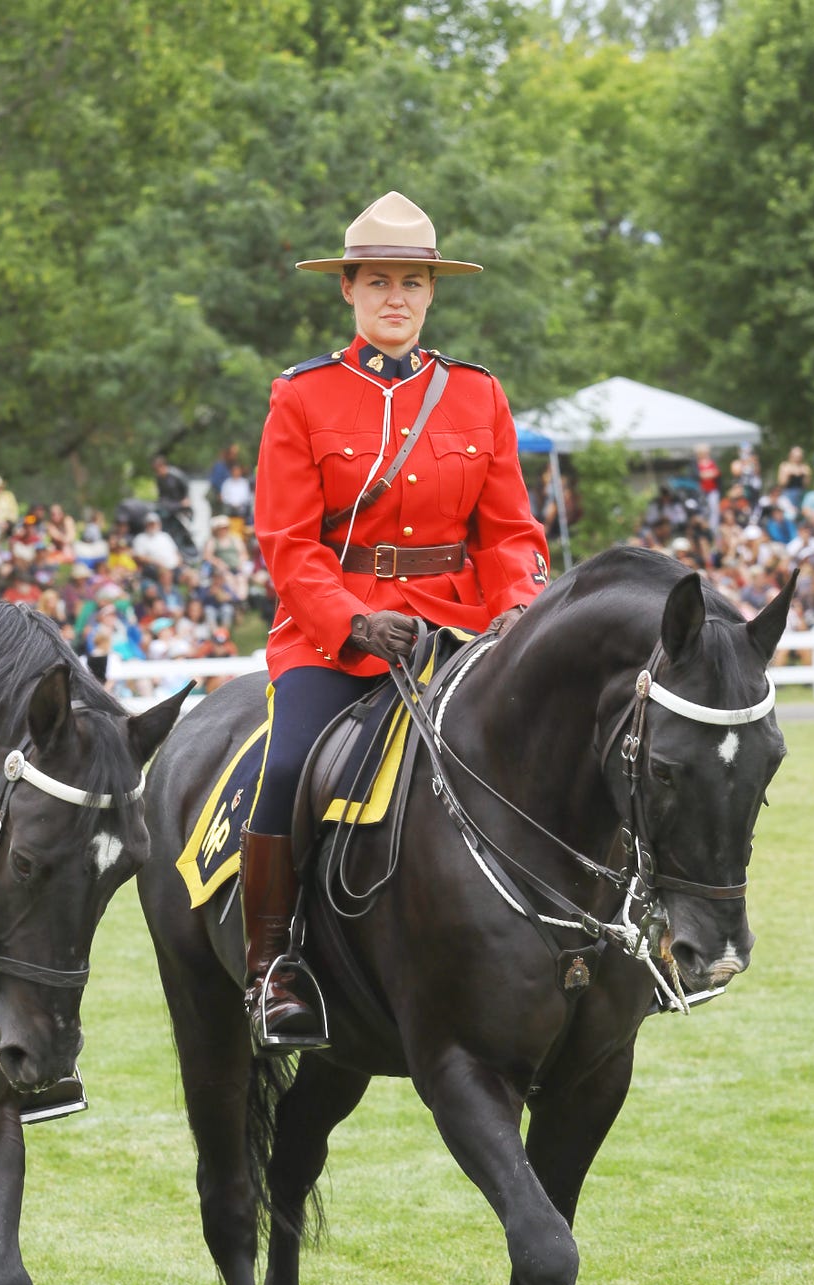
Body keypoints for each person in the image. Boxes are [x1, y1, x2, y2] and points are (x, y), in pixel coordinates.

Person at [244, 189, 549, 1052]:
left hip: (461, 629)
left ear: (431, 292)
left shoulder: (478, 396)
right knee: (291, 760)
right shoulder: (302, 397)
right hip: (335, 638)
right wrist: (348, 621)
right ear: (348, 289)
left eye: (412, 282)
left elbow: (512, 535)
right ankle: (274, 965)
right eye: (378, 280)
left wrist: (517, 617)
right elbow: (289, 543)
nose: (395, 298)